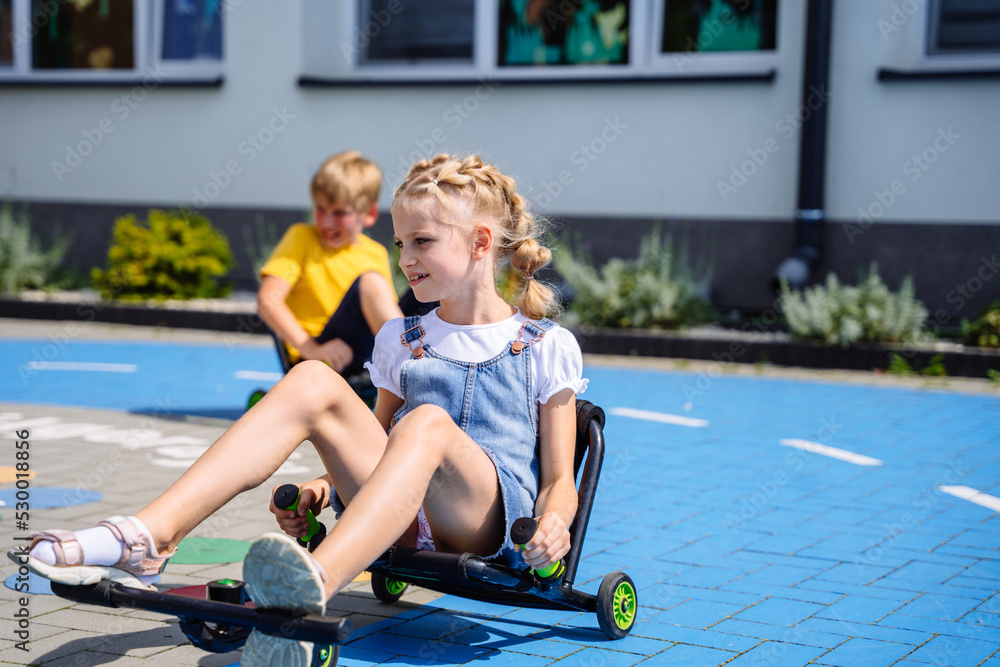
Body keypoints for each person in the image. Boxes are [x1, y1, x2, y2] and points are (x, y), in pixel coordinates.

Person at [13, 154, 587, 666]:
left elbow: (560, 478)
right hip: (406, 516)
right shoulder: (401, 336)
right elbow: (379, 441)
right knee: (313, 377)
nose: (405, 259)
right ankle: (148, 538)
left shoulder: (542, 345)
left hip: (482, 522)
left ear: (482, 243)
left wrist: (555, 523)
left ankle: (314, 582)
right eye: (400, 244)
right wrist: (322, 484)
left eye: (423, 242)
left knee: (426, 422)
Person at [257, 150, 404, 377]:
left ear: (369, 214)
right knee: (372, 281)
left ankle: (416, 361)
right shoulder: (301, 238)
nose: (326, 222)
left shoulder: (376, 252)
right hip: (319, 350)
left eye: (339, 213)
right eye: (320, 209)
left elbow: (384, 314)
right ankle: (411, 369)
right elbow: (268, 299)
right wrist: (311, 349)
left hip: (365, 350)